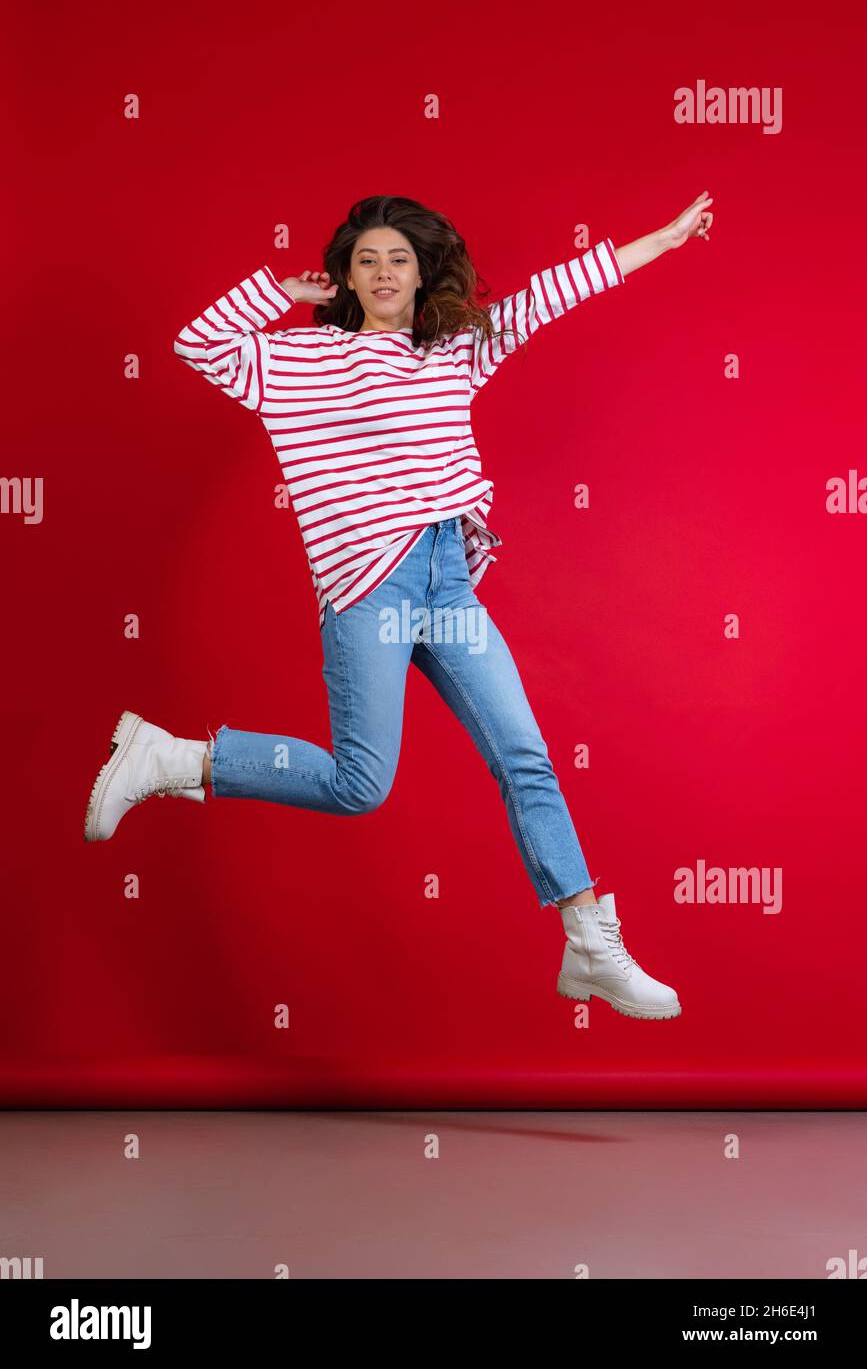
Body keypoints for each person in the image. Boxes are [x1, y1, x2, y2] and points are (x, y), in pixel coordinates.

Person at [84, 192, 714, 1019]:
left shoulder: (454, 350)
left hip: (448, 578)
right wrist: (282, 295)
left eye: (399, 260)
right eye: (366, 261)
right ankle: (173, 760)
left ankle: (586, 938)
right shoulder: (297, 363)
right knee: (360, 785)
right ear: (345, 276)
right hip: (370, 586)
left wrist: (661, 242)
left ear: (422, 277)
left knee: (524, 756)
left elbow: (552, 293)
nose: (383, 273)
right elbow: (196, 344)